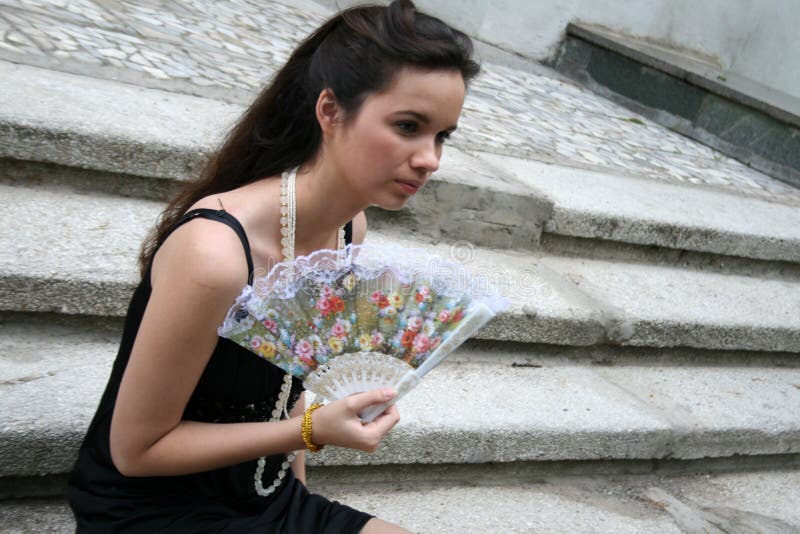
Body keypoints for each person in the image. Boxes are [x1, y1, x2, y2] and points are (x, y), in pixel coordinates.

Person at [67, 0, 480, 531]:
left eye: (442, 135)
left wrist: (299, 494)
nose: (430, 159)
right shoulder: (214, 253)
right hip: (153, 509)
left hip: (266, 493)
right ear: (330, 111)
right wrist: (310, 430)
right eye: (408, 126)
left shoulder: (349, 228)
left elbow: (294, 380)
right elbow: (136, 452)